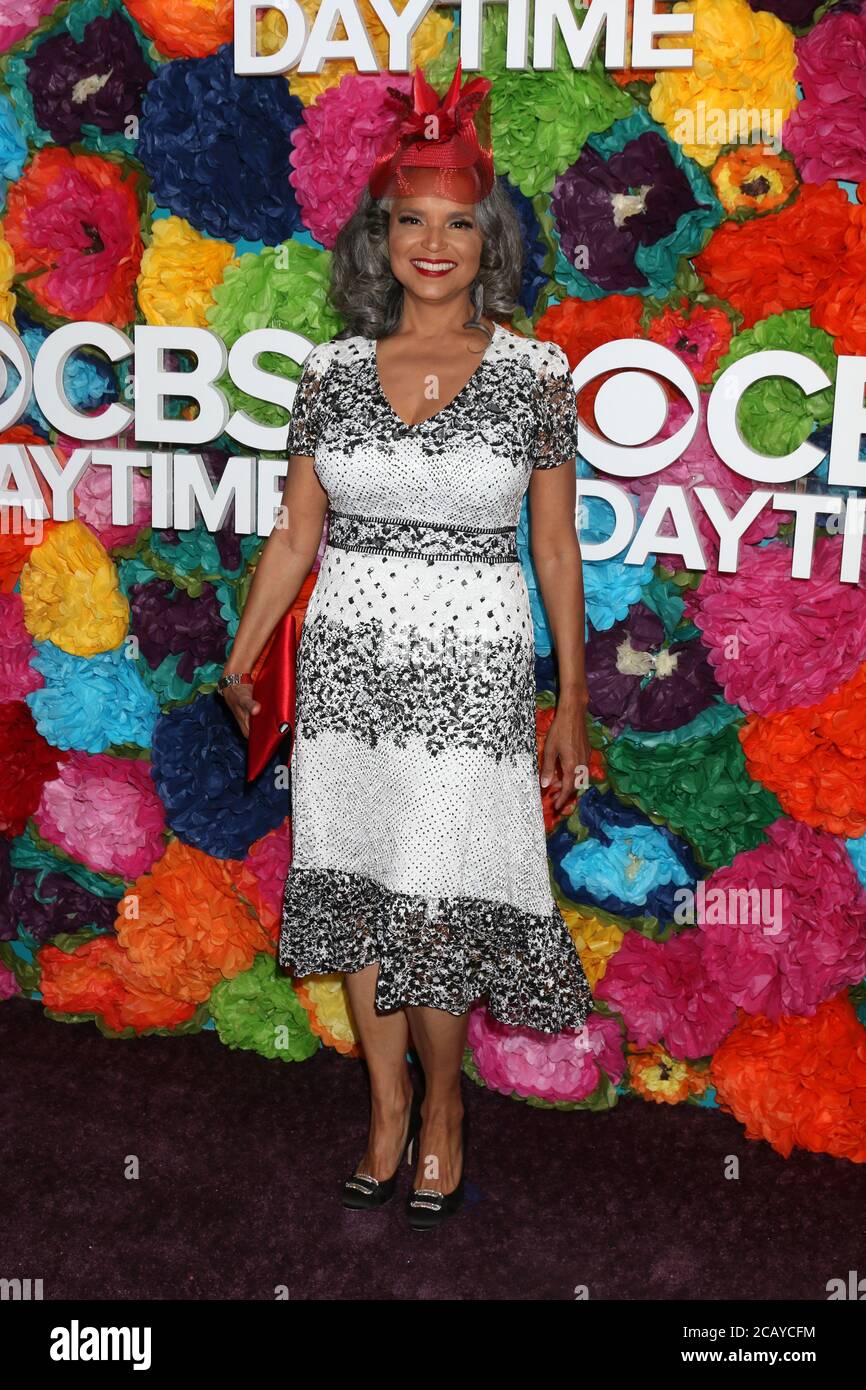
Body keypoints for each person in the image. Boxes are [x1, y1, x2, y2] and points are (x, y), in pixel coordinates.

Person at [218, 63, 594, 1231]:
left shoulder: (536, 374)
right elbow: (294, 532)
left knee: (433, 906)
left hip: (472, 669)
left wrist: (570, 698)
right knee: (353, 896)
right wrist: (243, 654)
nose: (433, 244)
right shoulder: (327, 374)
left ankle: (445, 1108)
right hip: (344, 668)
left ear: (490, 240)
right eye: (409, 220)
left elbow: (554, 551)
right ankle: (385, 1110)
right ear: (381, 238)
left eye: (457, 223)